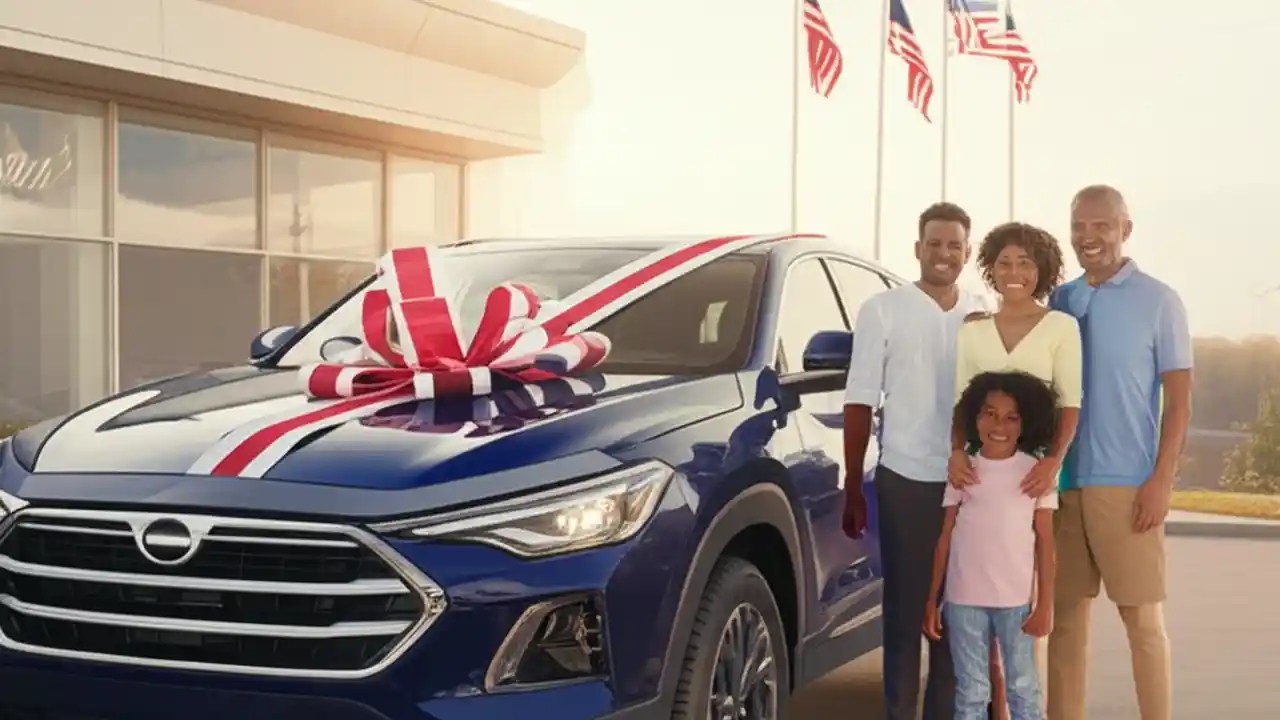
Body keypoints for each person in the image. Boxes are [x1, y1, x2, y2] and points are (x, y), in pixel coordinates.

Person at [1045, 185, 1192, 720]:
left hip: (1128, 485)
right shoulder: (1061, 300)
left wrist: (1161, 480)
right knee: (1064, 625)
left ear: (1125, 229)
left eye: (1102, 225)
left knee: (1143, 624)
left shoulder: (1160, 300)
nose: (1089, 237)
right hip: (1065, 486)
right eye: (1080, 225)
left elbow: (1178, 403)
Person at [843, 201, 989, 720]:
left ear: (967, 251)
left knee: (956, 619)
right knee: (904, 617)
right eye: (934, 244)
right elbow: (859, 400)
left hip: (971, 484)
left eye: (955, 245)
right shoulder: (882, 310)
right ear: (917, 248)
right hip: (905, 479)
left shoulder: (982, 310)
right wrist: (853, 486)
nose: (944, 254)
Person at [945, 222, 1082, 717]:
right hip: (983, 471)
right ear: (991, 268)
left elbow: (1070, 404)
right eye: (1004, 262)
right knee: (984, 623)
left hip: (1033, 479)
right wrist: (957, 452)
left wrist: (1053, 462)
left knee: (1021, 606)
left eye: (1025, 262)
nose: (1014, 272)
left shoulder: (1061, 328)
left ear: (1042, 269)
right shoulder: (974, 330)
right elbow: (961, 402)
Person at [925, 370, 1060, 720]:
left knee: (1024, 690)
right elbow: (944, 536)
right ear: (975, 416)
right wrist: (932, 600)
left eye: (1011, 417)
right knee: (971, 693)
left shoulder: (1036, 474)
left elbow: (1045, 542)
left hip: (1016, 604)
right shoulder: (962, 471)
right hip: (963, 600)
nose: (999, 424)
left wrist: (1045, 603)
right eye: (990, 413)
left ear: (1025, 423)